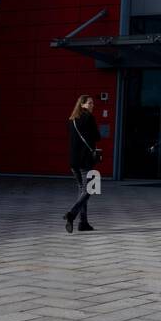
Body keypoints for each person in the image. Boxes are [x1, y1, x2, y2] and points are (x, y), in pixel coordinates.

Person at [64, 95, 101, 232]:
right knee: (90, 189)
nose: (93, 105)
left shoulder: (71, 120)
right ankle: (71, 214)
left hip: (74, 161)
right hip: (85, 161)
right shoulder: (89, 118)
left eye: (92, 103)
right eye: (90, 103)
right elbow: (97, 136)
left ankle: (83, 223)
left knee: (82, 189)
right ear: (82, 105)